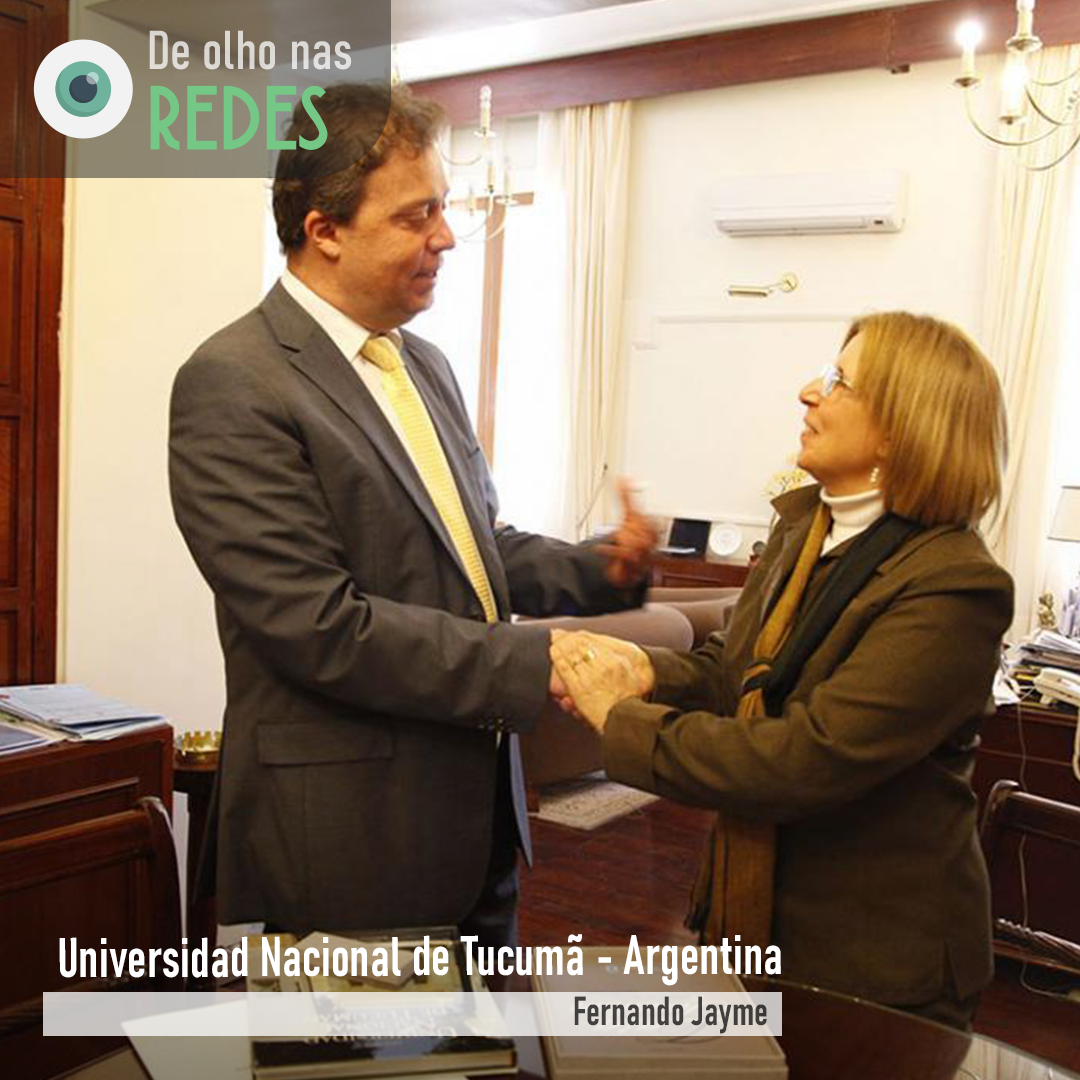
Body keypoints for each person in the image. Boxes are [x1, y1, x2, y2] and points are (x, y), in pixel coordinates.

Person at [168, 82, 656, 951]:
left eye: (444, 206)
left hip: (477, 825)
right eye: (415, 215)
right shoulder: (234, 382)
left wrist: (597, 569)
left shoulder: (422, 364)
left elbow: (472, 548)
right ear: (325, 229)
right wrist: (536, 657)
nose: (447, 236)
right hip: (349, 842)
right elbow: (318, 627)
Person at [551, 311, 1013, 1028]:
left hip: (872, 960)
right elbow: (737, 670)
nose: (808, 391)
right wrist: (643, 669)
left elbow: (805, 760)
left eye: (839, 382)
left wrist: (621, 717)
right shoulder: (804, 527)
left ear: (901, 427)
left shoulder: (955, 586)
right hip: (753, 922)